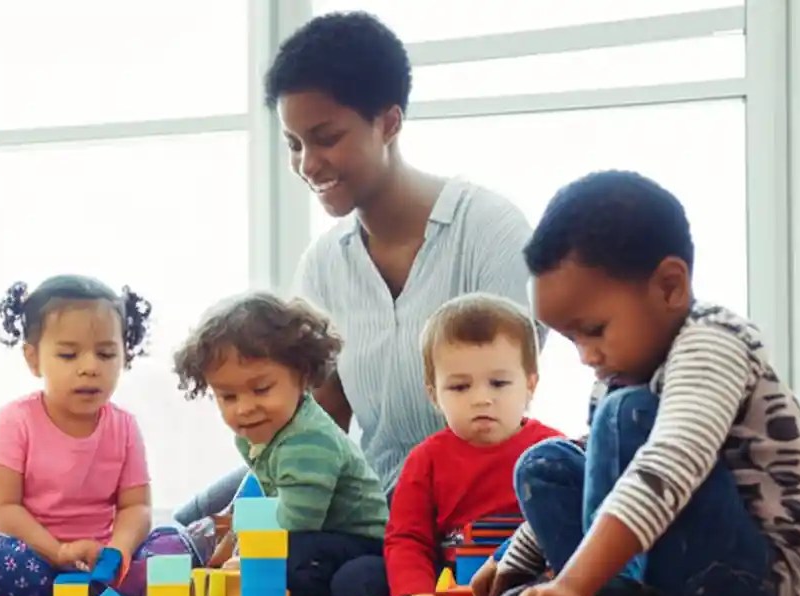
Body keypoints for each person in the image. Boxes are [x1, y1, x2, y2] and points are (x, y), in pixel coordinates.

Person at [175, 11, 535, 525]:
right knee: (184, 525)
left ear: (389, 123)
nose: (307, 164)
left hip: (467, 513)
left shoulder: (490, 233)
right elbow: (311, 426)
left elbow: (507, 405)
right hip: (367, 511)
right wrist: (231, 519)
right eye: (294, 144)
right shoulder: (324, 265)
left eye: (325, 138)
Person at [485, 171, 800, 596]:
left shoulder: (712, 344)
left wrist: (575, 583)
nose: (586, 356)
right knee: (545, 463)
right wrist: (511, 562)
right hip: (670, 573)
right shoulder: (618, 375)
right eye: (572, 339)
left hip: (754, 584)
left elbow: (670, 461)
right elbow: (596, 474)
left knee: (628, 416)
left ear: (669, 286)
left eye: (594, 330)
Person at [0, 275, 196, 596]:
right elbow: (2, 508)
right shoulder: (15, 421)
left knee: (173, 546)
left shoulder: (124, 426)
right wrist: (58, 551)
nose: (90, 367)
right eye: (69, 355)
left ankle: (97, 588)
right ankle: (89, 593)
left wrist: (117, 553)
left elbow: (136, 506)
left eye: (105, 354)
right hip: (35, 552)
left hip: (100, 556)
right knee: (5, 562)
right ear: (33, 358)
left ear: (124, 355)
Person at [173, 292, 389, 596]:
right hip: (319, 540)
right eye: (228, 397)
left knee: (292, 560)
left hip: (360, 541)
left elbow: (297, 520)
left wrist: (249, 558)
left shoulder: (310, 440)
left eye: (261, 389)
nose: (245, 408)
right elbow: (271, 504)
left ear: (302, 376)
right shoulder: (256, 433)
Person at [368, 294, 562, 596]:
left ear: (530, 385)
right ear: (434, 395)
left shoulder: (554, 451)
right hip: (450, 584)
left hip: (532, 580)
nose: (481, 399)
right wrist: (415, 591)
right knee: (362, 579)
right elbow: (407, 537)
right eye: (460, 387)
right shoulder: (425, 459)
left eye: (499, 383)